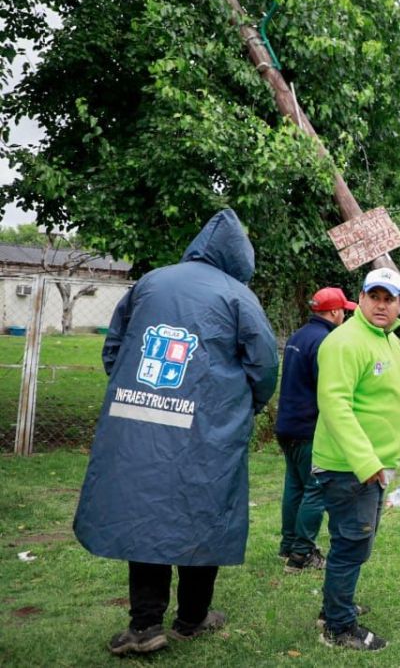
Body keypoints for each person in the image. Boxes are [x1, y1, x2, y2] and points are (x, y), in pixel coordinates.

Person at [73, 209, 278, 656]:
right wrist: (245, 406)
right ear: (240, 258)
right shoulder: (238, 296)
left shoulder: (149, 283)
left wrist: (134, 392)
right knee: (205, 513)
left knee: (145, 515)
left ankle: (144, 626)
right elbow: (264, 365)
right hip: (208, 429)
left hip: (142, 422)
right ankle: (191, 618)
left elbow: (115, 348)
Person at [312, 267, 400, 651]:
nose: (382, 305)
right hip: (349, 467)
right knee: (351, 546)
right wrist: (366, 462)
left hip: (374, 469)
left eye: (390, 299)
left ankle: (335, 606)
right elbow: (334, 404)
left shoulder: (391, 341)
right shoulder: (345, 342)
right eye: (375, 297)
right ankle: (338, 627)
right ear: (362, 298)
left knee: (358, 546)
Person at [275, 287, 357, 573]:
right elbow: (328, 390)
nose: (345, 316)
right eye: (344, 311)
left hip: (286, 425)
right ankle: (301, 555)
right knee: (315, 489)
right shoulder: (326, 341)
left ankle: (288, 544)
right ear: (334, 312)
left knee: (294, 486)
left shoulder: (298, 336)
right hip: (309, 428)